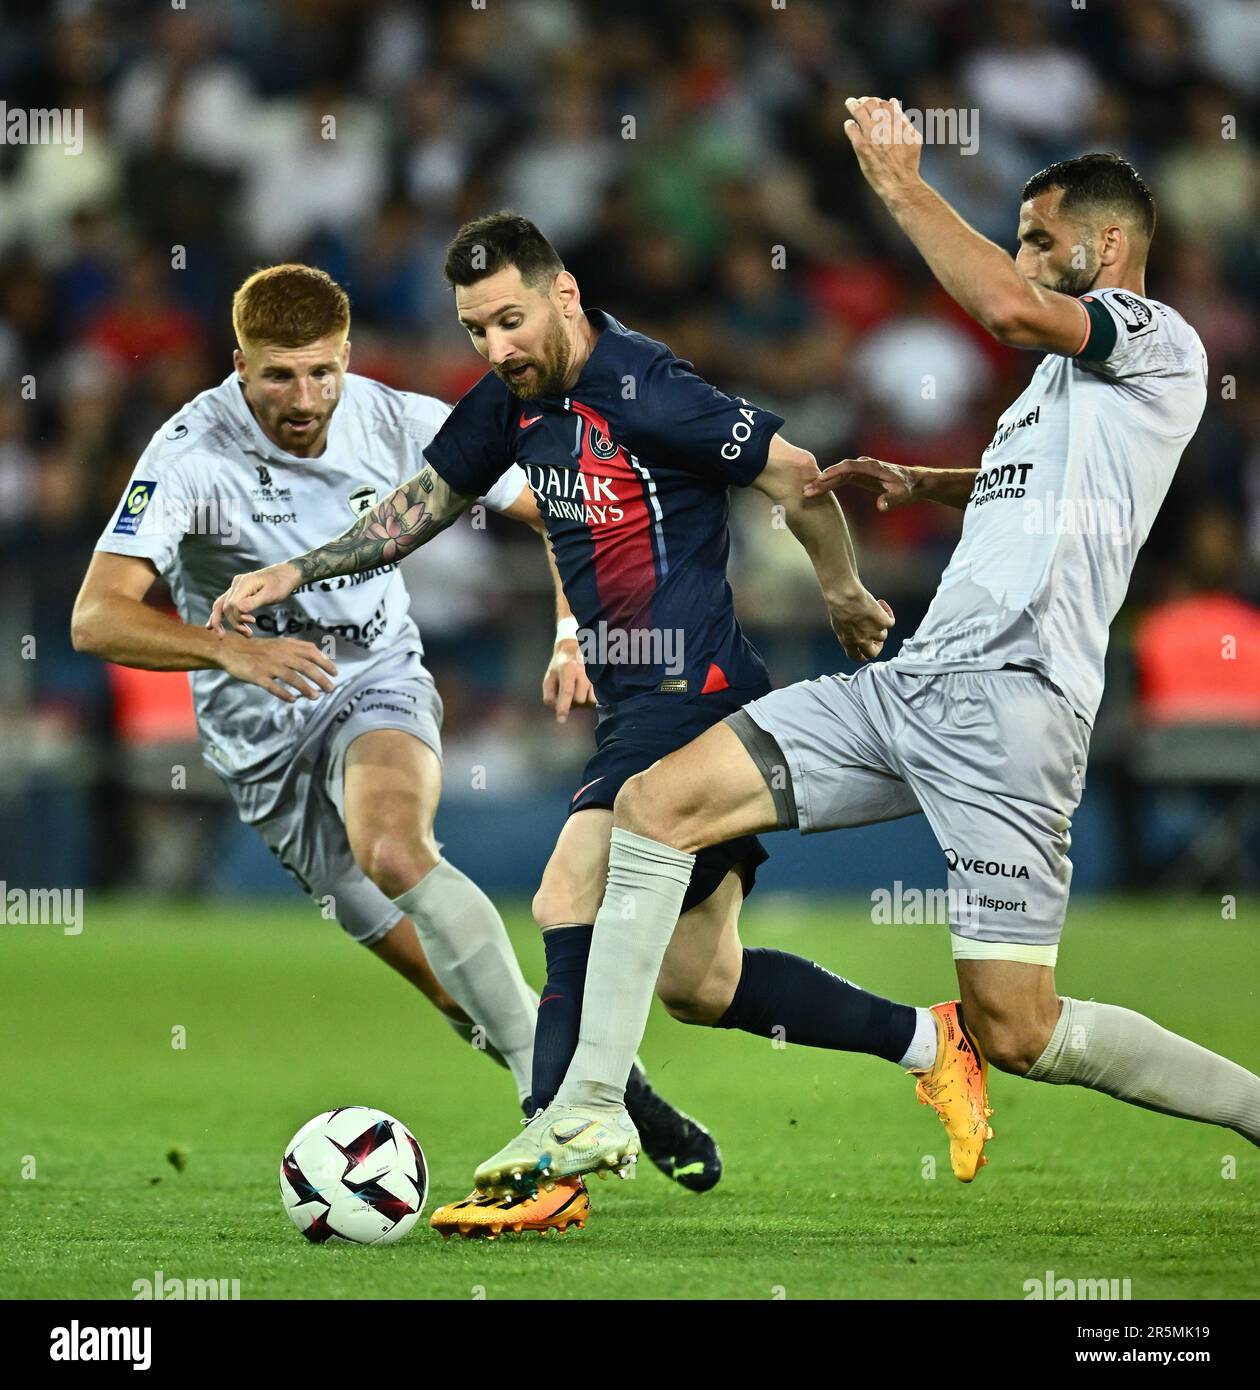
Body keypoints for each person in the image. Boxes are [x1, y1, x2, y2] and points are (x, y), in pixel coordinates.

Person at [467, 124, 1259, 1196]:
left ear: (1109, 244)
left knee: (1016, 1028)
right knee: (656, 804)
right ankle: (593, 1109)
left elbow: (1009, 308)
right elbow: (1046, 485)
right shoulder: (1058, 393)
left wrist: (901, 183)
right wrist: (931, 481)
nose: (1021, 259)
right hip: (917, 684)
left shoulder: (1154, 338)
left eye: (1037, 239)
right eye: (1016, 242)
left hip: (1016, 711)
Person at [209, 215, 996, 1216]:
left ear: (564, 296)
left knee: (563, 895)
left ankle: (553, 1155)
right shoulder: (512, 404)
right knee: (700, 983)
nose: (495, 348)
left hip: (694, 695)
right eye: (474, 330)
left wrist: (839, 588)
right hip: (636, 701)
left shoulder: (648, 387)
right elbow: (420, 504)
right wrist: (299, 566)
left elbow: (797, 475)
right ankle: (934, 1042)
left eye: (509, 321)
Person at [72, 262, 721, 1241]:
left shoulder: (398, 418)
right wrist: (223, 650)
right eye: (280, 377)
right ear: (236, 365)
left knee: (396, 848)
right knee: (443, 976)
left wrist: (565, 627)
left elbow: (559, 503)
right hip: (259, 741)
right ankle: (608, 1085)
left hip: (376, 680)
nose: (307, 399)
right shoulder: (188, 453)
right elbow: (95, 617)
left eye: (324, 372)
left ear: (346, 359)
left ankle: (562, 1120)